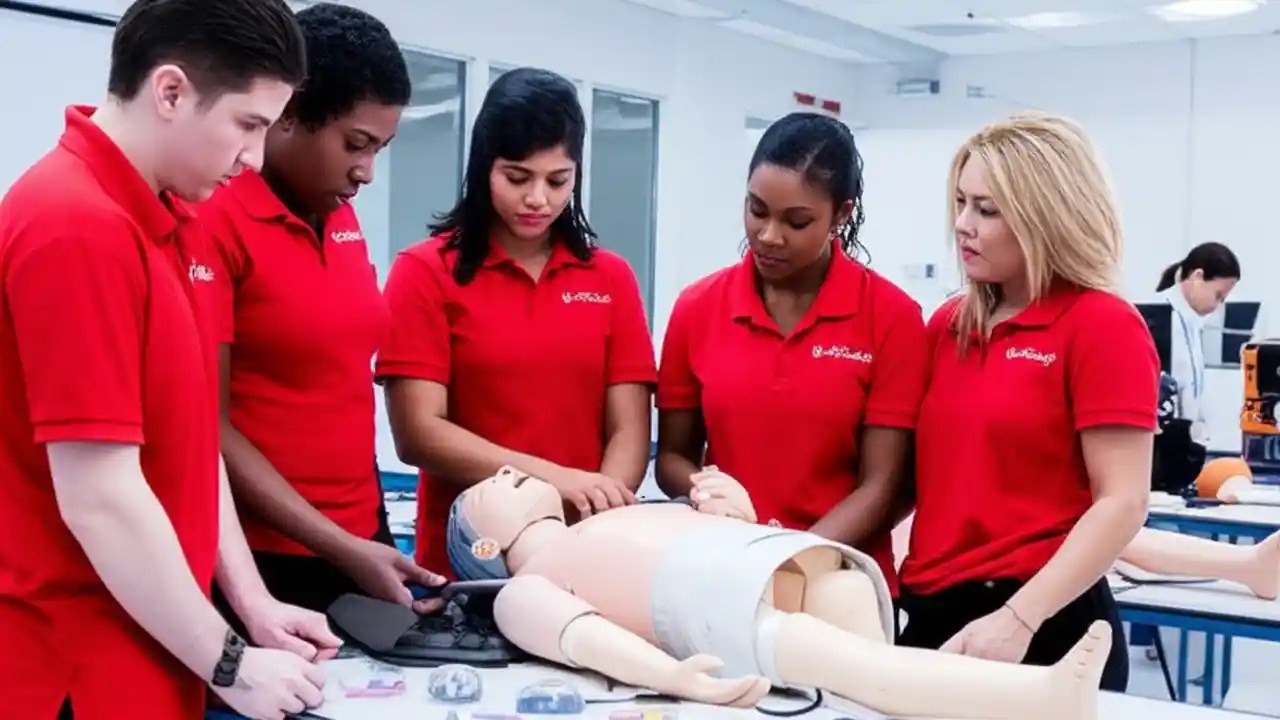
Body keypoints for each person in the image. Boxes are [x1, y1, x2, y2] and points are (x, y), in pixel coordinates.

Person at [0, 1, 344, 719]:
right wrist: (230, 663)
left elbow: (188, 446)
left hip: (155, 648)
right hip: (74, 668)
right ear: (170, 91)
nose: (253, 159)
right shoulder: (74, 226)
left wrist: (252, 605)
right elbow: (100, 497)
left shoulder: (166, 217)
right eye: (248, 125)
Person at [443, 465, 1113, 720]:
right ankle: (1040, 697)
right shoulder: (519, 588)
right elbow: (585, 636)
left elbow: (703, 529)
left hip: (770, 560)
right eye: (491, 488)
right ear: (483, 547)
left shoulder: (607, 517)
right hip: (714, 609)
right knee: (861, 669)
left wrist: (735, 508)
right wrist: (677, 678)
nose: (507, 469)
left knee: (857, 631)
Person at [897, 112, 1157, 691]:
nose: (963, 225)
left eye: (987, 210)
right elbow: (911, 480)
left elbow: (1123, 501)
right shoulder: (948, 326)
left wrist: (1020, 618)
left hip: (1040, 618)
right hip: (932, 611)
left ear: (1048, 216)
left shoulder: (1102, 326)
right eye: (961, 202)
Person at [200, 2, 444, 618]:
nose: (365, 171)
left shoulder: (338, 212)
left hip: (362, 537)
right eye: (355, 145)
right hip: (261, 557)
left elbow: (337, 382)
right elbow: (208, 426)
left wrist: (365, 538)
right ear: (287, 116)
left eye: (380, 149)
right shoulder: (215, 218)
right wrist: (338, 546)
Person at [375, 67, 656, 576]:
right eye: (517, 177)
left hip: (583, 550)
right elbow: (417, 431)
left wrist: (599, 508)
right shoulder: (425, 271)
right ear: (484, 167)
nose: (538, 200)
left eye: (558, 180)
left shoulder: (611, 278)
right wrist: (556, 481)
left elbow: (630, 429)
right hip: (468, 556)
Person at [654, 112, 927, 595]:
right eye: (757, 210)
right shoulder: (698, 308)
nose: (768, 235)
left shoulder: (891, 317)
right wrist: (713, 497)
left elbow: (884, 487)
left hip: (841, 580)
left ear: (841, 214)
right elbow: (673, 457)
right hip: (725, 571)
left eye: (796, 221)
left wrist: (790, 557)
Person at [1156, 241, 1240, 446]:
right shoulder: (1161, 317)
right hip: (1161, 435)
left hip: (1182, 438)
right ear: (1197, 277)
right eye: (1218, 296)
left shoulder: (1192, 321)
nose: (1218, 305)